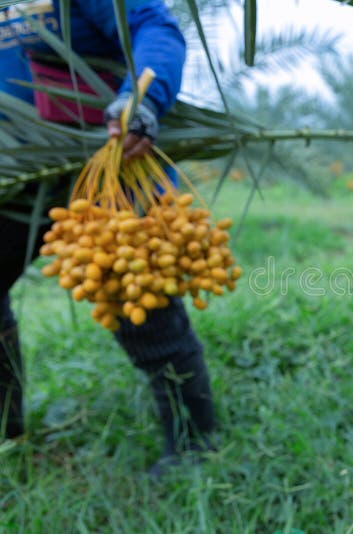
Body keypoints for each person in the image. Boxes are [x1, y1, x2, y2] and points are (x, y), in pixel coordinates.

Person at [0, 0, 216, 476]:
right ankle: (7, 431)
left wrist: (141, 99)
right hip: (18, 180)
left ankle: (193, 444)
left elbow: (152, 27)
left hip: (112, 168)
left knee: (139, 301)